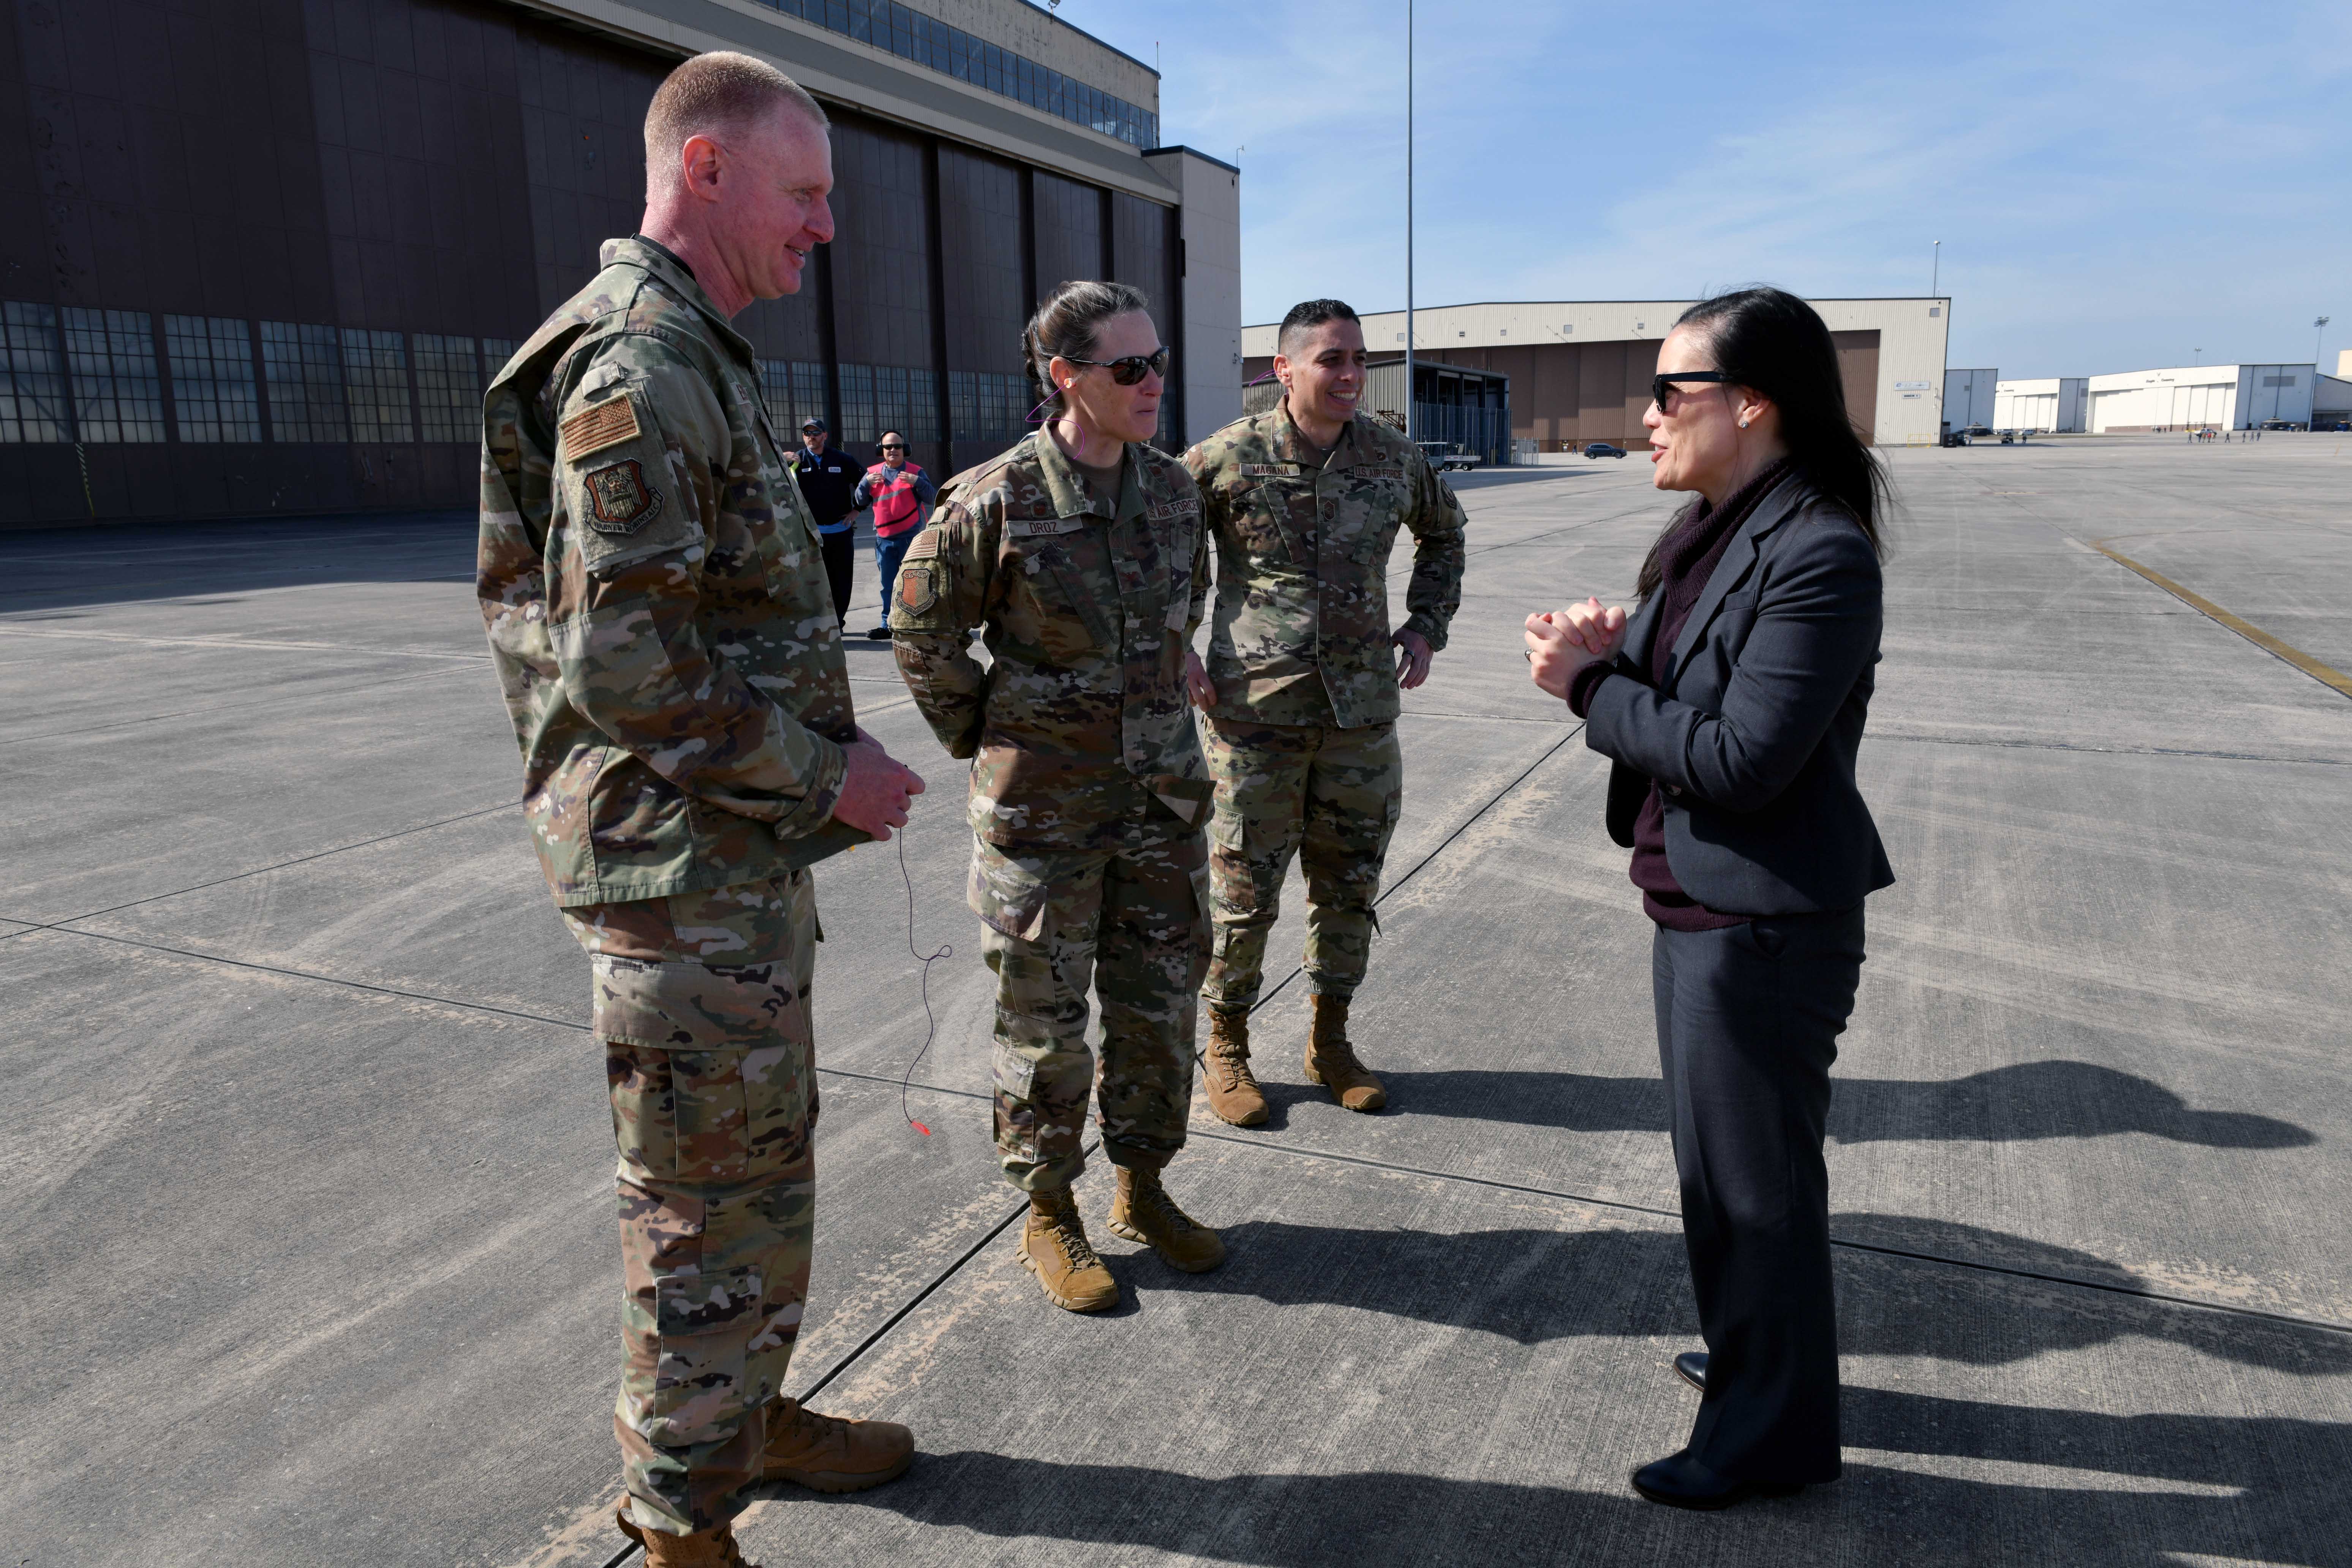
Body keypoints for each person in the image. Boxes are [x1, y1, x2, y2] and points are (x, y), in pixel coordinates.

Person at [475, 52, 927, 1567]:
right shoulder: (643, 367)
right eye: (807, 196)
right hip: (679, 870)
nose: (827, 229)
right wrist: (828, 778)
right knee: (699, 1196)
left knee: (756, 1168)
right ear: (711, 171)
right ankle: (679, 1518)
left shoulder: (698, 350)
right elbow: (623, 660)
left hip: (719, 858)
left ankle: (745, 1418)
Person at [1522, 286, 1894, 1512]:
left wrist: (1585, 687)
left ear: (1751, 402)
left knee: (1756, 1187)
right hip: (1694, 902)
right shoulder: (1713, 528)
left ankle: (1773, 1431)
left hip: (1764, 919)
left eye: (1670, 392)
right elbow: (1689, 676)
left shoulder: (1821, 549)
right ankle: (1754, 1368)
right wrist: (1610, 645)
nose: (1645, 416)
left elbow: (1743, 755)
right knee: (1716, 1177)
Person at [890, 280, 1222, 1314]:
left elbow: (1184, 614)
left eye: (1159, 361)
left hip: (1160, 808)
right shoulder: (994, 500)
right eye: (1130, 367)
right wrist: (993, 733)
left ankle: (1143, 1185)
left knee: (1160, 1012)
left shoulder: (1174, 494)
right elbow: (921, 632)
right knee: (1044, 1029)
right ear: (1064, 377)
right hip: (1044, 820)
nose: (1154, 381)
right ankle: (1050, 1211)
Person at [1180, 298, 1465, 1124]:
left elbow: (1445, 533)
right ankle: (1227, 1046)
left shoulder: (1389, 457)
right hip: (1253, 716)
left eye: (1357, 360)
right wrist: (1178, 639)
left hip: (1360, 718)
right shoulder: (1226, 457)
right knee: (1244, 890)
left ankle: (1330, 1039)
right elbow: (1161, 537)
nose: (1349, 375)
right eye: (1332, 360)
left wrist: (1426, 624)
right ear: (1285, 369)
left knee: (1348, 885)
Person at [856, 430, 936, 639]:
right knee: (888, 585)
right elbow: (859, 500)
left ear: (905, 449)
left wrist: (917, 482)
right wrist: (865, 484)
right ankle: (887, 623)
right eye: (888, 447)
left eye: (897, 446)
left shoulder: (916, 472)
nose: (893, 450)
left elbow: (932, 498)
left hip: (910, 540)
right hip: (884, 540)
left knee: (915, 583)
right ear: (881, 450)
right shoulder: (872, 474)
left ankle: (916, 623)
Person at [792, 416, 862, 626]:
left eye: (816, 433)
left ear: (825, 436)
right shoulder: (796, 461)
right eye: (807, 433)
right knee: (812, 581)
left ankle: (837, 621)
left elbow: (866, 485)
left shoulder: (842, 459)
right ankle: (817, 622)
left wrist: (856, 511)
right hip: (810, 535)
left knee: (840, 580)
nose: (811, 437)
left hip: (840, 532)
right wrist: (780, 458)